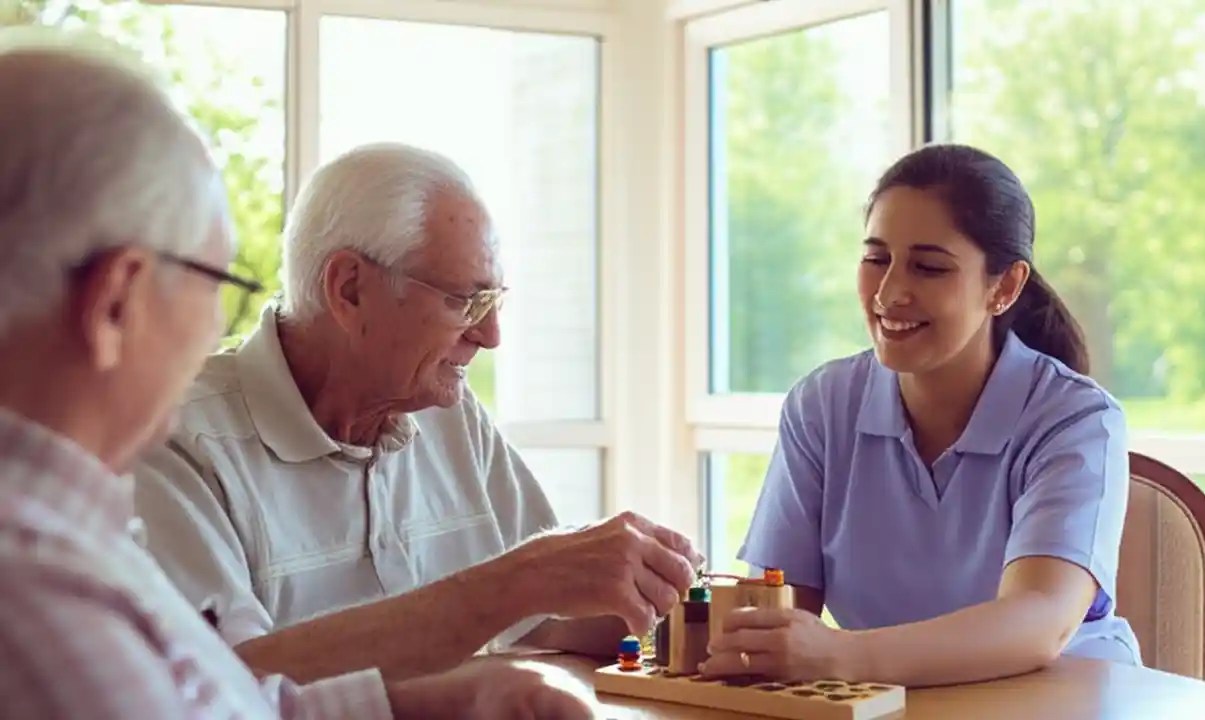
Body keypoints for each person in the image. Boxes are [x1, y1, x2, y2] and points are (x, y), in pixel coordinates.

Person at [0, 27, 599, 719]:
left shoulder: (77, 532)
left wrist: (442, 703)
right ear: (116, 302)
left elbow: (222, 701)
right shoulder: (41, 588)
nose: (217, 320)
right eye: (217, 280)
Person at [132, 140, 701, 683]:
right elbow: (220, 688)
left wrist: (692, 611)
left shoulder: (445, 414)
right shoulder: (173, 437)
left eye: (494, 301)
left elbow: (547, 610)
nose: (491, 335)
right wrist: (513, 584)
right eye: (465, 301)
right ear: (349, 289)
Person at [699, 144, 1141, 687]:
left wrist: (846, 658)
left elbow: (1038, 622)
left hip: (1064, 697)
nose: (889, 293)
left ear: (1004, 287)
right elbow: (781, 608)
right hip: (898, 702)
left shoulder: (1075, 420)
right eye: (876, 258)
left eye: (929, 268)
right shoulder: (822, 407)